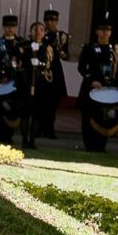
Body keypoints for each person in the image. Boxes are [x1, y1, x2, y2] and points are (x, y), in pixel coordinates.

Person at [77, 19, 118, 151]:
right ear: (97, 32)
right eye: (102, 30)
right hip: (92, 87)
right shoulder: (89, 48)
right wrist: (92, 80)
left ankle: (101, 145)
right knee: (89, 117)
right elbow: (82, 67)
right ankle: (89, 144)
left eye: (108, 30)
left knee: (105, 117)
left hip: (107, 89)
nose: (105, 33)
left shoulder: (114, 50)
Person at [0, 13, 28, 145]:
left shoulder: (21, 43)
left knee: (13, 109)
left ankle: (9, 135)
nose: (10, 29)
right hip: (0, 80)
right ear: (4, 27)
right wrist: (0, 76)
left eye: (13, 26)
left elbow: (24, 61)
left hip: (16, 81)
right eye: (8, 26)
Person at [29, 9, 66, 144]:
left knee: (52, 104)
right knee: (39, 102)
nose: (50, 23)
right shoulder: (42, 34)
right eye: (48, 20)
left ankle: (49, 130)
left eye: (53, 20)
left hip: (54, 71)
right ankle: (37, 129)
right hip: (41, 71)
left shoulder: (61, 36)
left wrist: (61, 49)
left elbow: (65, 55)